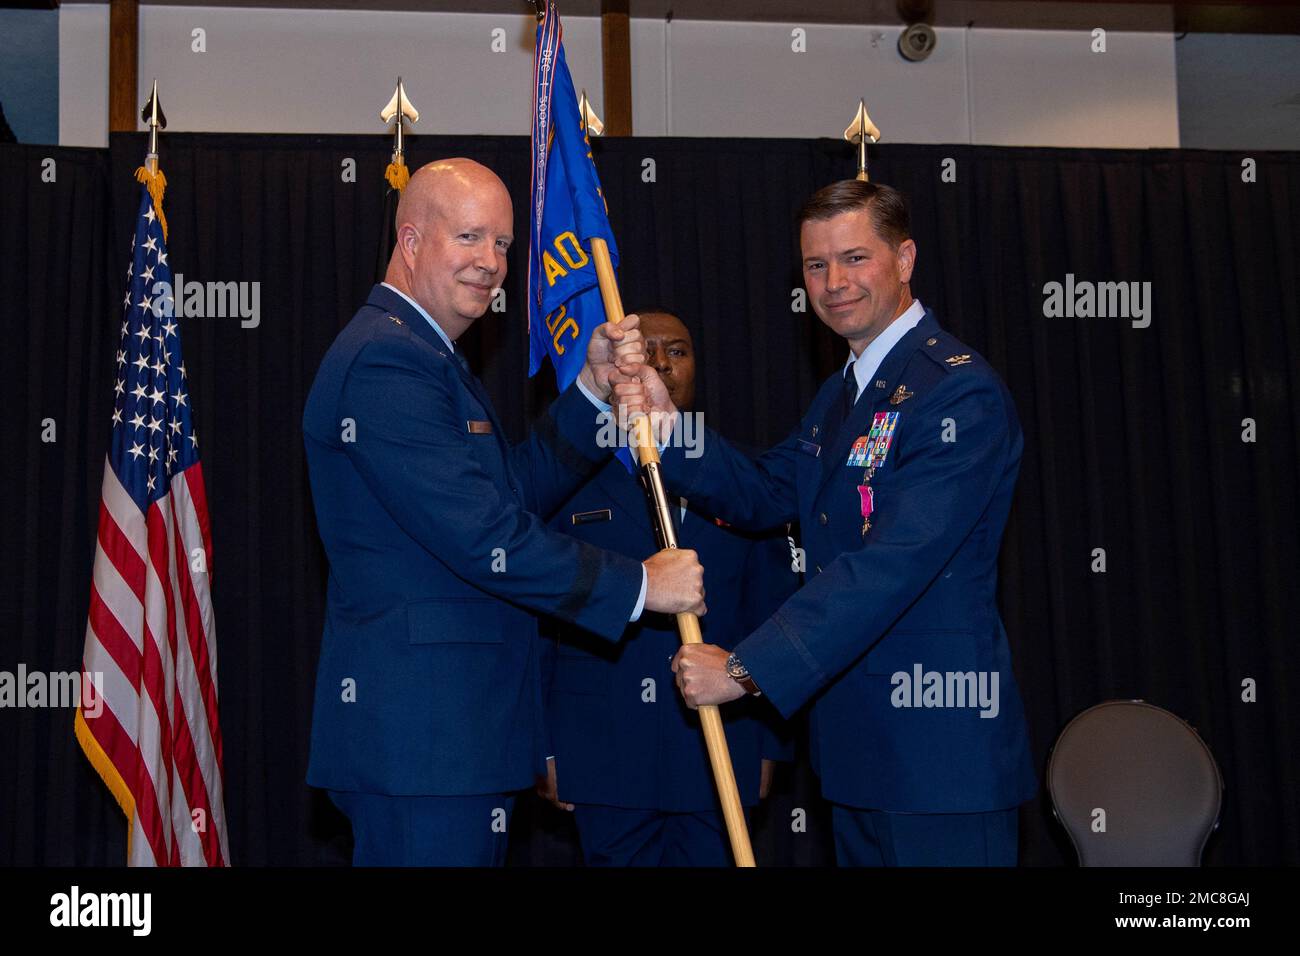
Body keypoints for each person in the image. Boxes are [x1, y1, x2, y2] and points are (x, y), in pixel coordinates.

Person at [301, 159, 706, 866]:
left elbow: (505, 493)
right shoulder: (386, 363)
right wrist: (641, 586)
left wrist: (590, 389)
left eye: (504, 245)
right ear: (412, 238)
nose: (491, 263)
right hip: (424, 742)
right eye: (470, 237)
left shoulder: (426, 354)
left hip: (451, 741)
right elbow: (483, 535)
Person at [624, 180, 1037, 866]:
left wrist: (748, 668)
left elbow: (890, 565)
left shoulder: (958, 390)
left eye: (854, 259)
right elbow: (766, 490)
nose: (834, 283)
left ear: (904, 259)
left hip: (938, 761)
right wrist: (671, 429)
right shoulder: (849, 388)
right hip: (859, 757)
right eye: (816, 266)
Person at [537, 310, 798, 866]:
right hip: (602, 749)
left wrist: (770, 743)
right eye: (646, 349)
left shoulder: (743, 477)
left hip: (717, 745)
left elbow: (771, 608)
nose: (659, 362)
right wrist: (545, 746)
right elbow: (540, 620)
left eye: (676, 351)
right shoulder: (565, 477)